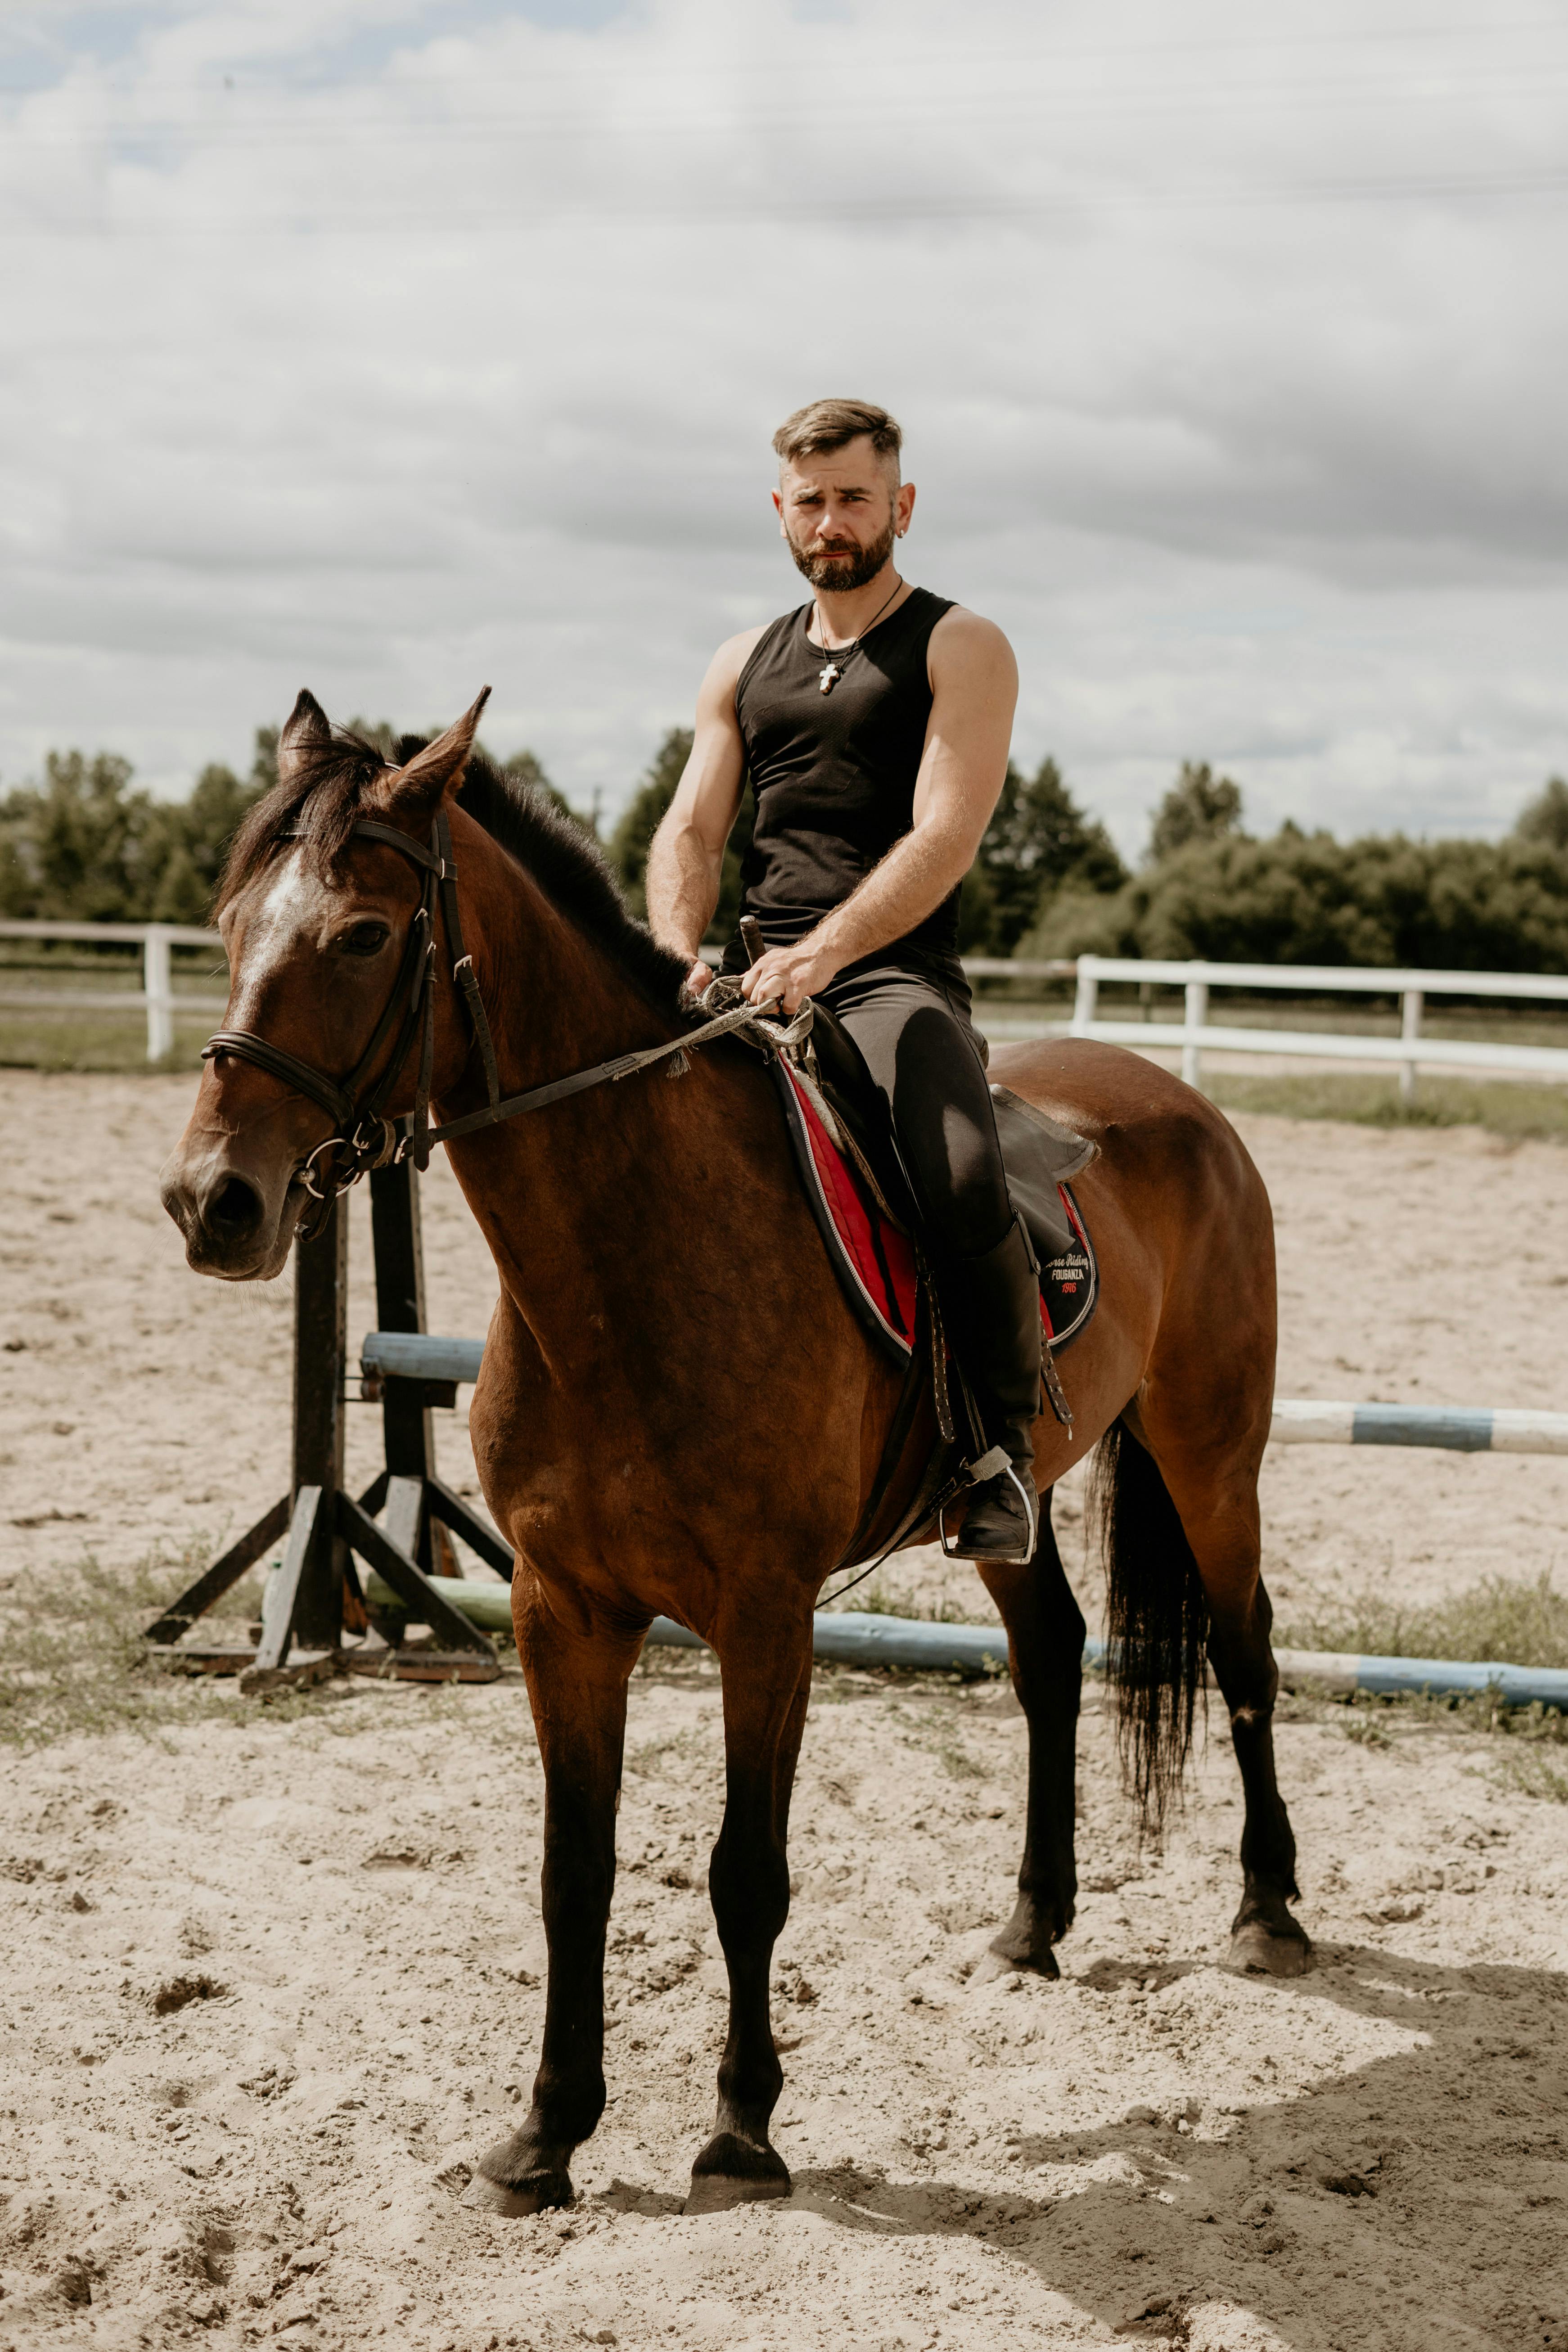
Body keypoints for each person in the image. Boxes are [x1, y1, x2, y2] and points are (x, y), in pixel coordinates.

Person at [645, 397, 1041, 1563]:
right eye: (809, 501)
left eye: (854, 498)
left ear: (900, 506)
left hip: (885, 979)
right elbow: (690, 830)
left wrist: (824, 952)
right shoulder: (741, 661)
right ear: (780, 509)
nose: (831, 521)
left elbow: (943, 836)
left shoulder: (959, 643)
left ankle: (994, 1453)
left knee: (963, 1171)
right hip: (747, 971)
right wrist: (676, 958)